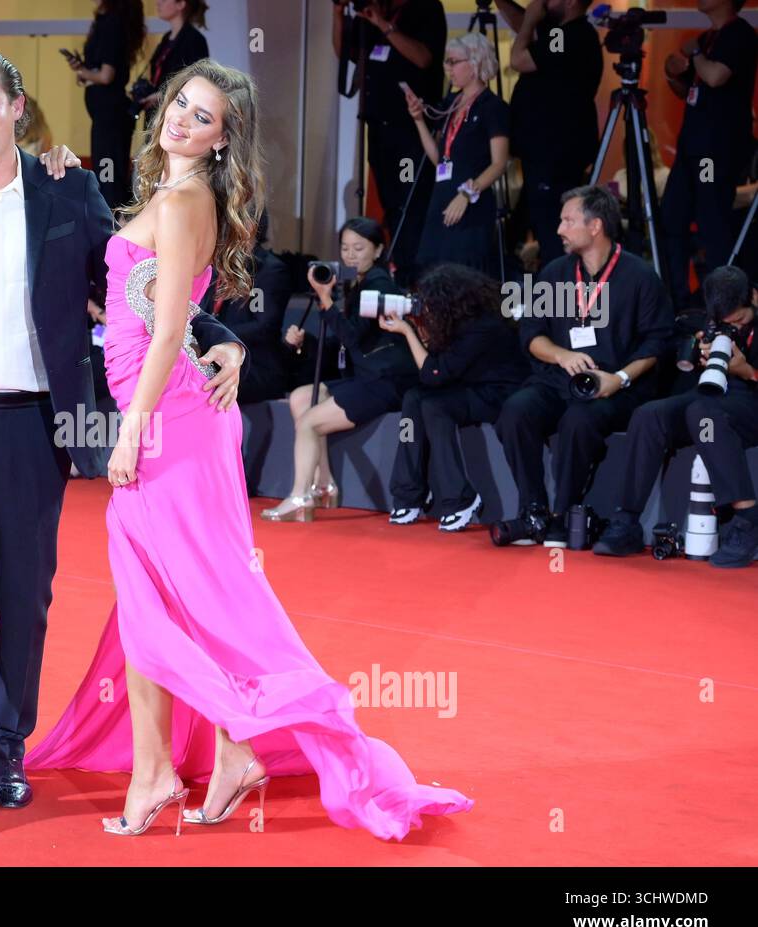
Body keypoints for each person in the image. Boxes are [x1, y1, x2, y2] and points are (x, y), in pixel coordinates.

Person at [26, 60, 474, 839]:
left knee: (193, 597)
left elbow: (167, 328)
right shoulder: (168, 196)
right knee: (158, 597)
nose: (182, 121)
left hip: (169, 421)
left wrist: (130, 426)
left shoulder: (185, 200)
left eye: (202, 117)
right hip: (175, 412)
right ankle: (196, 758)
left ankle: (184, 762)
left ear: (223, 137)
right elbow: (170, 312)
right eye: (179, 106)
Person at [0, 50, 247, 835]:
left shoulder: (66, 193)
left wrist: (222, 336)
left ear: (16, 108)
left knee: (27, 607)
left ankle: (9, 747)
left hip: (42, 430)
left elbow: (139, 289)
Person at [494, 185, 674, 546]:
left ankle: (563, 514)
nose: (559, 229)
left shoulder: (640, 276)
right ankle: (533, 510)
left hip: (614, 386)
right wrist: (562, 355)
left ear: (595, 227)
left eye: (568, 220)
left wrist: (619, 378)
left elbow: (658, 343)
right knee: (515, 411)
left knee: (579, 420)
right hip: (558, 380)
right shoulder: (554, 273)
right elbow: (531, 334)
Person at [593, 266, 758, 565]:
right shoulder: (711, 322)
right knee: (649, 415)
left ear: (754, 298)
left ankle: (747, 517)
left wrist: (748, 371)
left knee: (703, 414)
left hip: (749, 400)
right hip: (714, 395)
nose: (732, 327)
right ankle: (627, 520)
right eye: (725, 323)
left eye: (740, 321)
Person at [261, 217, 415, 521]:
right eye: (345, 248)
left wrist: (326, 300)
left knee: (308, 422)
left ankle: (298, 497)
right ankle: (324, 484)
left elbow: (354, 335)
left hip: (385, 380)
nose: (351, 255)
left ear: (378, 249)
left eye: (359, 248)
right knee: (302, 398)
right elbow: (346, 342)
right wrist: (307, 341)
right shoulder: (357, 283)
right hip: (366, 375)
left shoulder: (378, 285)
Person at [385, 264, 530, 529]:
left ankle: (460, 498)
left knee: (434, 406)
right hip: (471, 386)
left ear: (448, 302)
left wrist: (408, 332)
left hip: (500, 394)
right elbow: (436, 369)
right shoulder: (457, 321)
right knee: (413, 399)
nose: (426, 308)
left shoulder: (482, 327)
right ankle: (408, 492)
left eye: (431, 303)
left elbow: (434, 373)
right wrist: (421, 332)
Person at [335, 0, 447, 283]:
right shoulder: (372, 12)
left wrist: (384, 26)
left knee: (411, 203)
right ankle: (398, 271)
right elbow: (345, 53)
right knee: (391, 205)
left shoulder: (427, 9)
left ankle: (416, 277)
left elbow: (423, 58)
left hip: (410, 129)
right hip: (378, 127)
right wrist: (338, 14)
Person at [661, 0, 758, 311]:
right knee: (672, 217)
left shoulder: (740, 33)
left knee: (711, 219)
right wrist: (673, 74)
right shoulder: (705, 39)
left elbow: (716, 76)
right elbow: (690, 88)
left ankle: (722, 304)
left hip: (715, 150)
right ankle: (677, 300)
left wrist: (695, 54)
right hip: (692, 146)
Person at [495, 0, 603, 267]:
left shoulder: (572, 36)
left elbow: (519, 59)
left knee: (552, 228)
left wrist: (531, 18)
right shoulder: (559, 33)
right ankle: (522, 288)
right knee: (523, 226)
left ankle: (563, 299)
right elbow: (528, 29)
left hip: (554, 154)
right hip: (542, 154)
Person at [405, 31, 510, 278]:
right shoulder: (451, 103)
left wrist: (467, 193)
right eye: (447, 62)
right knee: (433, 271)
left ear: (474, 64)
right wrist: (419, 120)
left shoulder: (492, 107)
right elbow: (438, 159)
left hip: (470, 201)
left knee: (464, 274)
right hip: (442, 196)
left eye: (454, 62)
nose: (448, 68)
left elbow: (499, 163)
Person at [198, 211, 294, 404]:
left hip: (256, 365)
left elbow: (264, 327)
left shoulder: (270, 270)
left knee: (200, 385)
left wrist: (216, 336)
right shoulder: (218, 265)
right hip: (217, 357)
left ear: (250, 226)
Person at [68, 0, 146, 211]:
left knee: (109, 178)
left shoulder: (113, 24)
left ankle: (113, 232)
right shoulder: (107, 22)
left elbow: (106, 75)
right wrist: (86, 73)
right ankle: (110, 228)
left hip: (110, 119)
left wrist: (85, 73)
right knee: (106, 176)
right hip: (106, 117)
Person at [136, 0, 209, 130]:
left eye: (164, 0)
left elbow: (197, 80)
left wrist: (162, 95)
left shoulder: (194, 39)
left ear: (181, 4)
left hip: (177, 117)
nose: (158, 3)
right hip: (156, 115)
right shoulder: (166, 38)